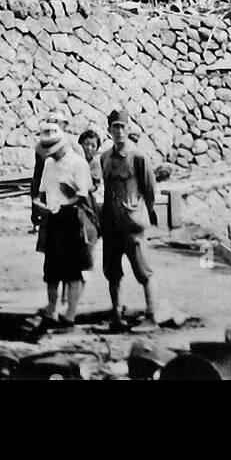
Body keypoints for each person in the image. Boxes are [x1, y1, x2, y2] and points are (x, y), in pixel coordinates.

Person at [99, 110, 160, 331]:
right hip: (111, 224)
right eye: (115, 127)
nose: (119, 132)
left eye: (123, 127)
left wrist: (146, 214)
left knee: (144, 272)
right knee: (112, 272)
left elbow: (150, 191)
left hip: (132, 223)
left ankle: (152, 316)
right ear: (109, 131)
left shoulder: (139, 157)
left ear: (128, 128)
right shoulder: (104, 157)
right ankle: (116, 314)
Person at [33, 123, 97, 325]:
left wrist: (64, 204)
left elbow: (83, 194)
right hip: (52, 219)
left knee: (72, 269)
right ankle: (51, 309)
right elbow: (42, 190)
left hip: (71, 218)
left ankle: (70, 313)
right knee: (51, 268)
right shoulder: (49, 164)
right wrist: (40, 205)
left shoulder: (78, 163)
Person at [78, 129, 103, 203]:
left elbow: (94, 187)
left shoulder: (95, 164)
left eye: (93, 146)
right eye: (86, 144)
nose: (89, 148)